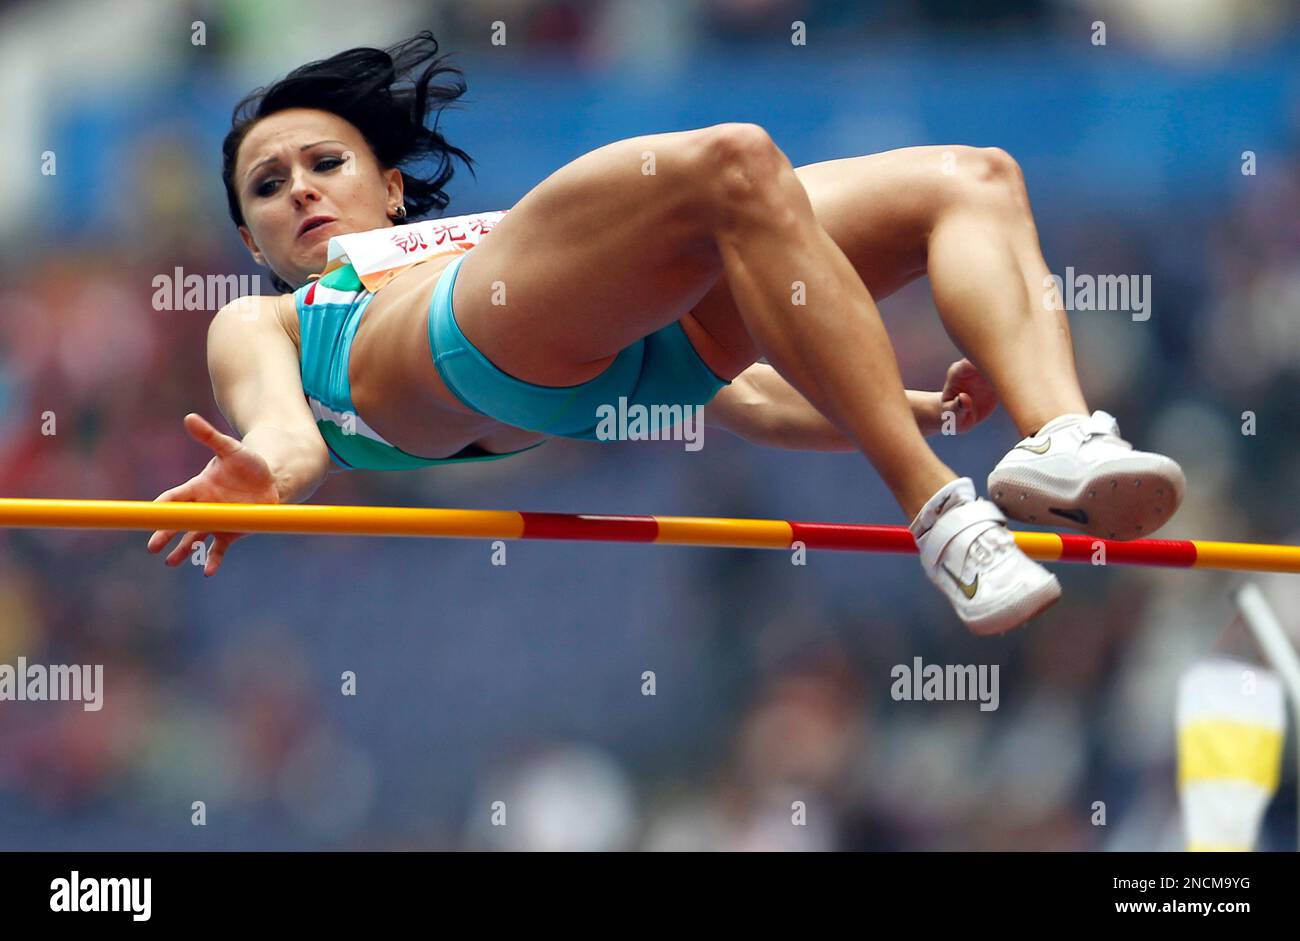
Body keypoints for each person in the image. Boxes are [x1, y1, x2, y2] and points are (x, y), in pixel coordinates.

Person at [147, 32, 1184, 635]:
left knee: (971, 179)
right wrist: (269, 482)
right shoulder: (269, 315)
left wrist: (915, 402)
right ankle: (943, 519)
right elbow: (282, 433)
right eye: (268, 187)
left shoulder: (513, 243)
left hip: (628, 356)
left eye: (323, 164)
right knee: (732, 159)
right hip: (468, 344)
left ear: (389, 182)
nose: (301, 192)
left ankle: (1060, 435)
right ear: (250, 235)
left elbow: (737, 396)